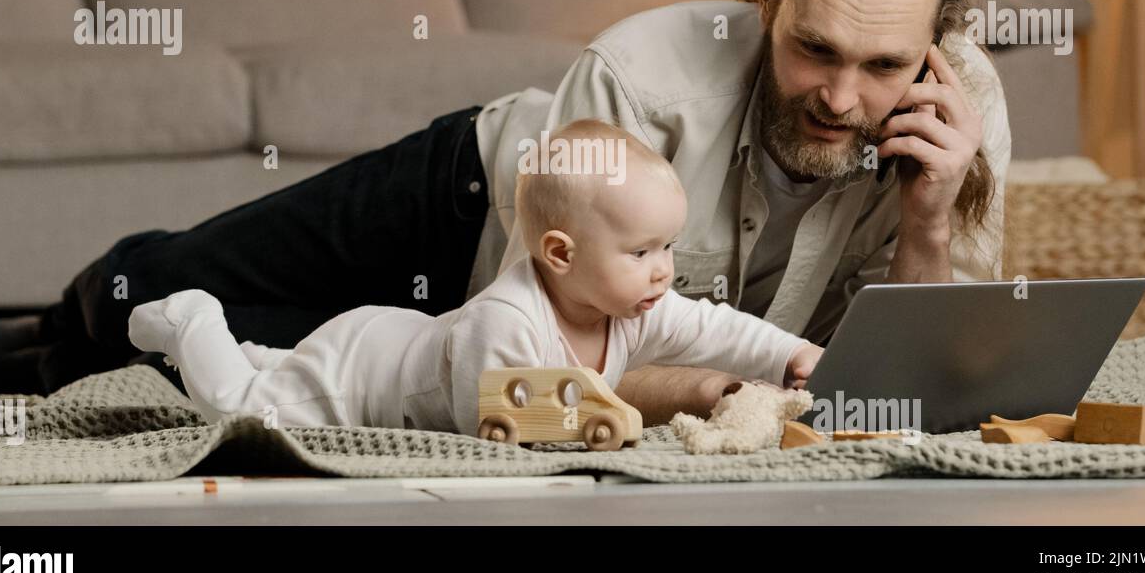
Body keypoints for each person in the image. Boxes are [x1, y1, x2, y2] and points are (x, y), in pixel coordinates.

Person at [0, 0, 1009, 425]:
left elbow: (923, 385)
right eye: (812, 48)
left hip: (549, 330)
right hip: (470, 215)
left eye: (881, 67)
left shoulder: (958, 109)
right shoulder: (643, 74)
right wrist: (710, 396)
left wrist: (927, 214)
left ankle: (50, 353)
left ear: (934, 43)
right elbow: (533, 342)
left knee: (222, 368)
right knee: (141, 298)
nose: (840, 96)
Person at [127, 120, 825, 434]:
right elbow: (489, 414)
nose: (664, 268)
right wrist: (605, 416)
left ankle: (271, 358)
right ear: (559, 253)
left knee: (285, 371)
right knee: (249, 414)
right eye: (642, 251)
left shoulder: (635, 303)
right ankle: (195, 321)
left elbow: (716, 325)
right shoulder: (508, 316)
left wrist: (792, 353)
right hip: (362, 372)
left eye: (668, 245)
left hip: (396, 339)